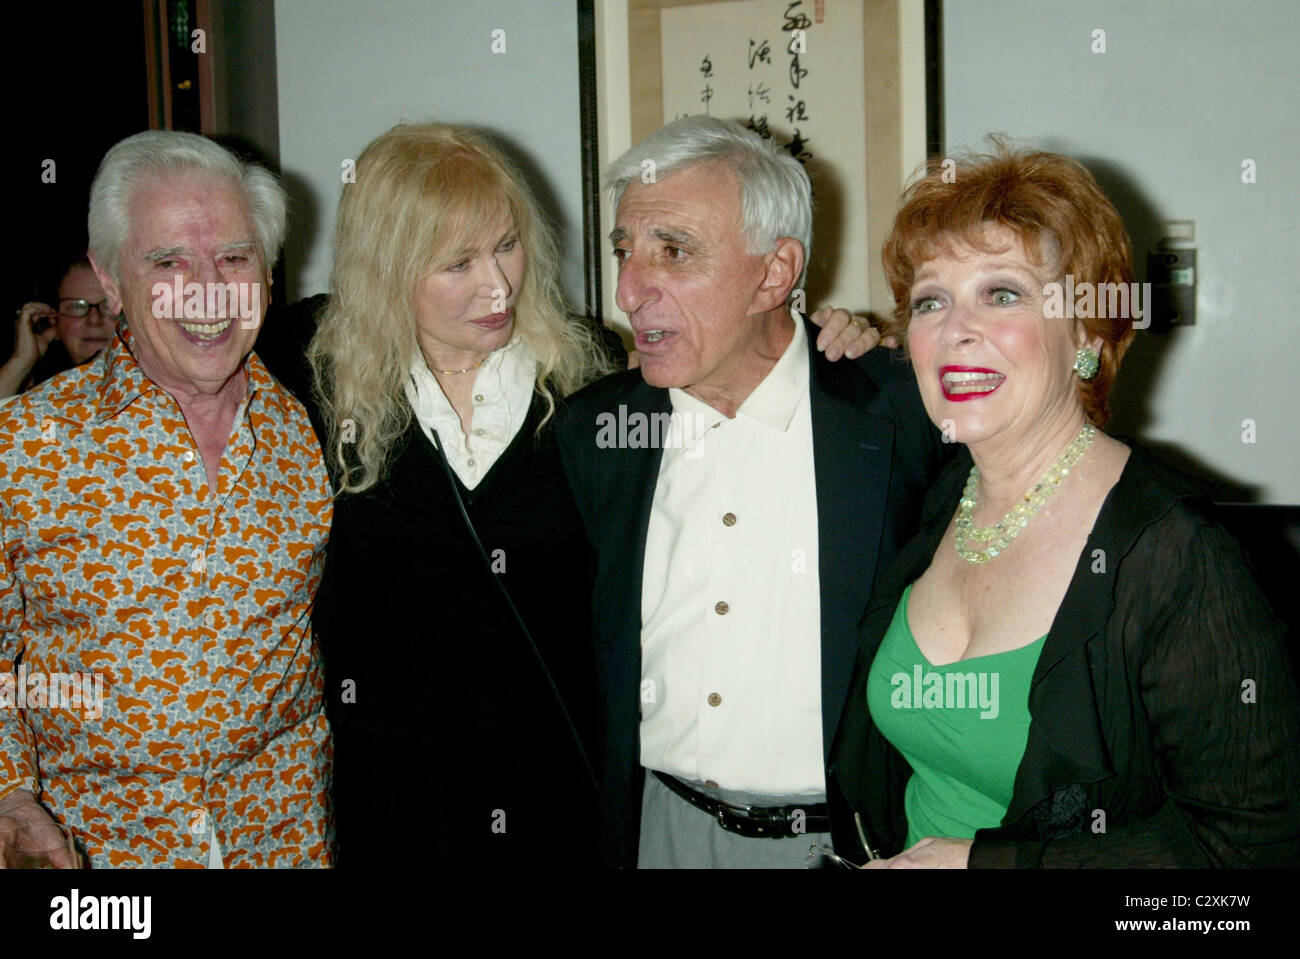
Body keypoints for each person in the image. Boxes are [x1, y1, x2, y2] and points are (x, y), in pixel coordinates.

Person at [308, 121, 873, 867]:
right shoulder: (316, 390)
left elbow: (758, 373)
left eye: (507, 245)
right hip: (400, 808)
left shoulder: (594, 376)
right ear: (386, 270)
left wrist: (842, 341)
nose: (498, 284)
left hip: (569, 807)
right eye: (457, 263)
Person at [827, 143, 1300, 868]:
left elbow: (1249, 854)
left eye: (1002, 293)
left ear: (1084, 332)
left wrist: (981, 866)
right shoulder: (942, 501)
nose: (956, 330)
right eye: (931, 300)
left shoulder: (1178, 554)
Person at [555, 116, 951, 868]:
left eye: (673, 251)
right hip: (655, 831)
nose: (629, 290)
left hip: (848, 844)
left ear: (775, 273)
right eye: (623, 250)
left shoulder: (901, 413)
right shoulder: (595, 433)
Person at [0, 131, 333, 868]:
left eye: (235, 258)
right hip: (97, 859)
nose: (208, 290)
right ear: (110, 278)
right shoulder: (22, 446)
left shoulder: (317, 430)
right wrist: (9, 795)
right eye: (167, 261)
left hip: (284, 841)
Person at [1, 258, 115, 398]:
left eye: (108, 305)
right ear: (55, 319)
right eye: (76, 306)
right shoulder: (42, 394)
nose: (94, 320)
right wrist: (22, 361)